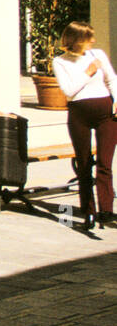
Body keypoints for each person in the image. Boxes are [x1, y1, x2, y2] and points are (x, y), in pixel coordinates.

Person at [52, 21, 117, 230]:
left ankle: (106, 210)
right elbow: (69, 90)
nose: (93, 41)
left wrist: (116, 99)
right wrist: (88, 72)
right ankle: (88, 211)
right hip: (79, 114)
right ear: (76, 40)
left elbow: (112, 79)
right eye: (89, 38)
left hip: (105, 113)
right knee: (84, 162)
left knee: (105, 163)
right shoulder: (60, 62)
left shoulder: (97, 54)